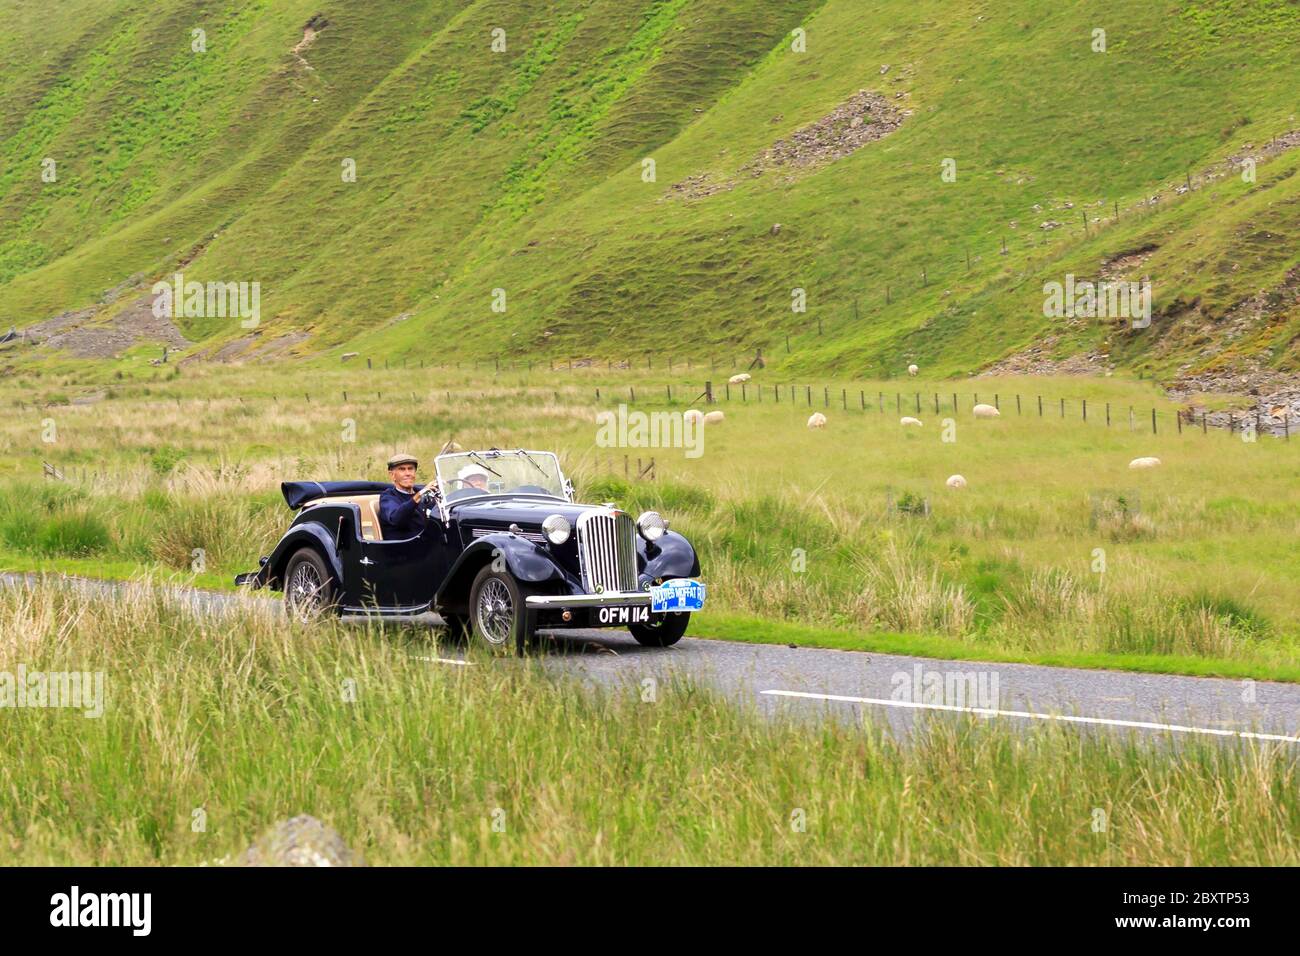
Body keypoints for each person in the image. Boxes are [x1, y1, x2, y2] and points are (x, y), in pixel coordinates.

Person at [379, 453, 430, 539]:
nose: (408, 473)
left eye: (410, 469)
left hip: (430, 543)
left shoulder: (421, 491)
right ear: (392, 475)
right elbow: (396, 518)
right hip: (405, 547)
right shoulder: (388, 497)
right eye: (402, 469)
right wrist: (419, 496)